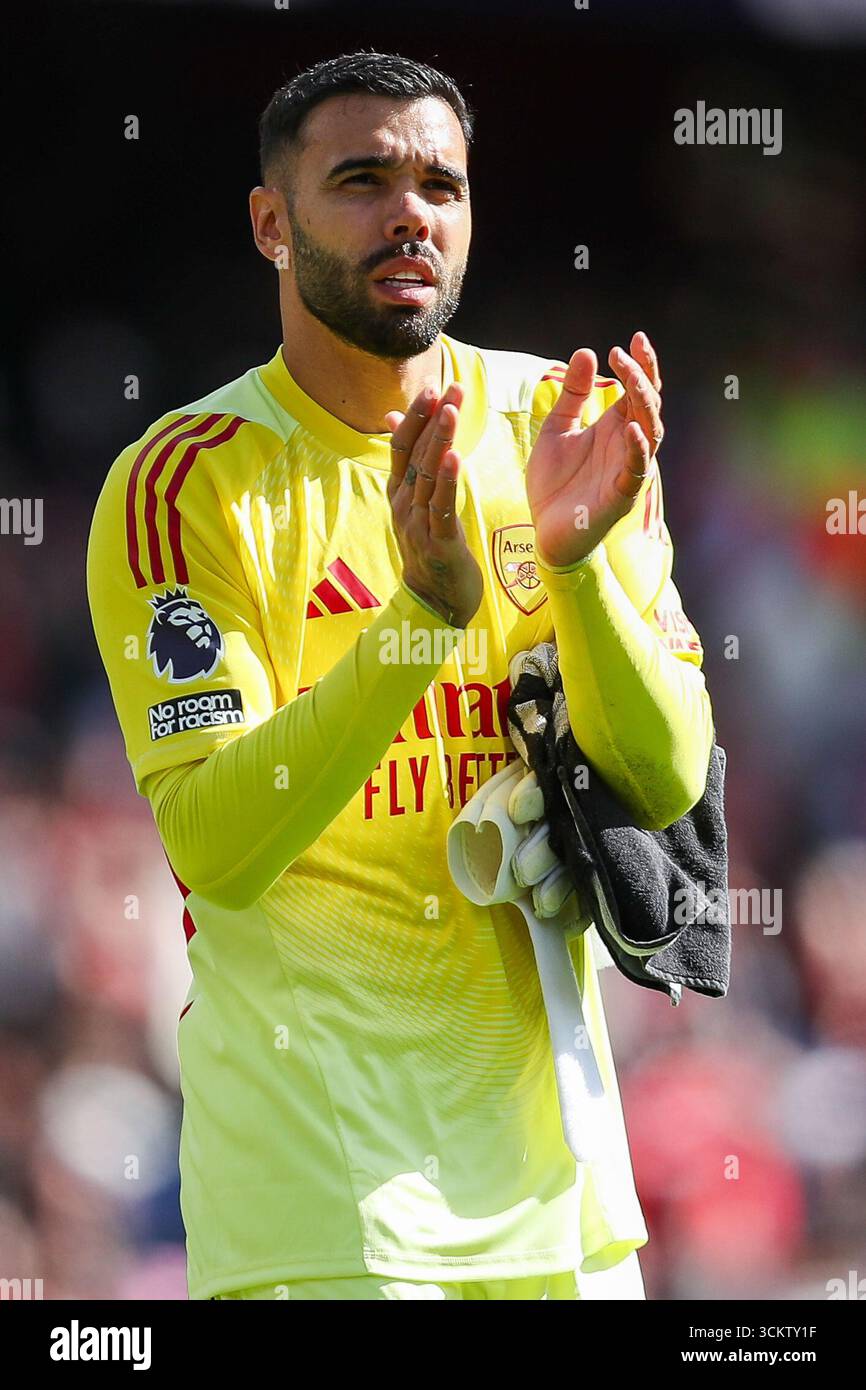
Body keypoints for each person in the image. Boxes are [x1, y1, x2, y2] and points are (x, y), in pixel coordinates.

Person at [86, 50, 714, 1301]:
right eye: (360, 179)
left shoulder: (559, 425)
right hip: (324, 1212)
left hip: (567, 1199)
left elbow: (662, 776)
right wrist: (422, 621)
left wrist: (578, 573)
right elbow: (217, 844)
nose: (409, 211)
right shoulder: (184, 481)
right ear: (272, 222)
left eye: (441, 183)